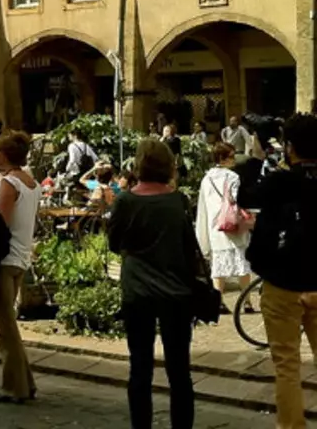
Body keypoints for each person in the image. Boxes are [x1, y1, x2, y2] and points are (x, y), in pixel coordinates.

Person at [108, 137, 196, 429]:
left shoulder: (126, 201)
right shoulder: (177, 200)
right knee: (179, 371)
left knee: (140, 369)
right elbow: (187, 248)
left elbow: (114, 243)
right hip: (176, 292)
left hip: (138, 291)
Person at [238, 112, 317, 429]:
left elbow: (244, 196)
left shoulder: (280, 181)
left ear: (290, 147)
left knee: (287, 365)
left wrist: (255, 159)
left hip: (282, 285)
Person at [0, 131, 40, 405]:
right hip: (20, 257)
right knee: (9, 325)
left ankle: (13, 387)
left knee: (6, 328)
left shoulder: (9, 183)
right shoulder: (31, 182)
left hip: (3, 260)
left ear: (4, 155)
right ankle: (25, 382)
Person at [196, 142, 252, 309]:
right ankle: (246, 301)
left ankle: (218, 301)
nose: (234, 160)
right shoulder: (233, 177)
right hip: (234, 225)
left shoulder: (206, 179)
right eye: (231, 156)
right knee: (242, 264)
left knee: (218, 266)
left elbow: (203, 207)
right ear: (222, 158)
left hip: (216, 227)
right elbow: (237, 200)